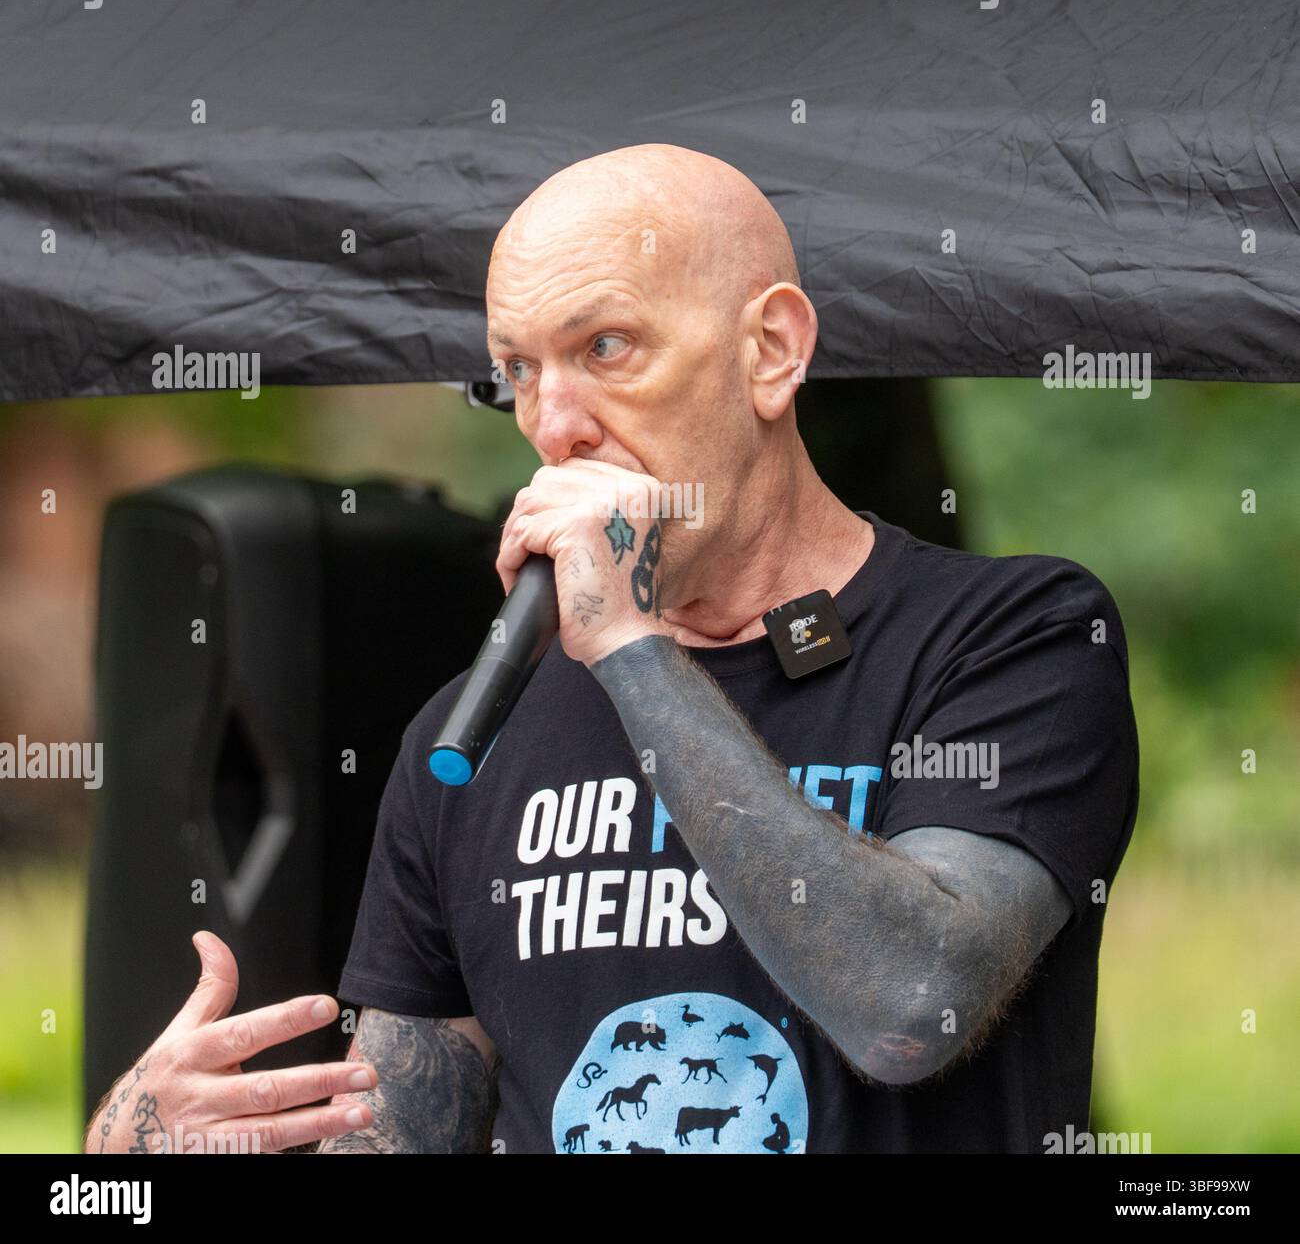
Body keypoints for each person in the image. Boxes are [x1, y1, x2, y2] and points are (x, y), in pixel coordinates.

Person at [86, 143, 1138, 1155]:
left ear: (770, 349)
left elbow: (910, 1005)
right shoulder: (468, 738)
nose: (554, 424)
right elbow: (408, 1137)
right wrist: (139, 1156)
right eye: (515, 371)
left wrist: (629, 643)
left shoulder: (1014, 634)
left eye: (603, 349)